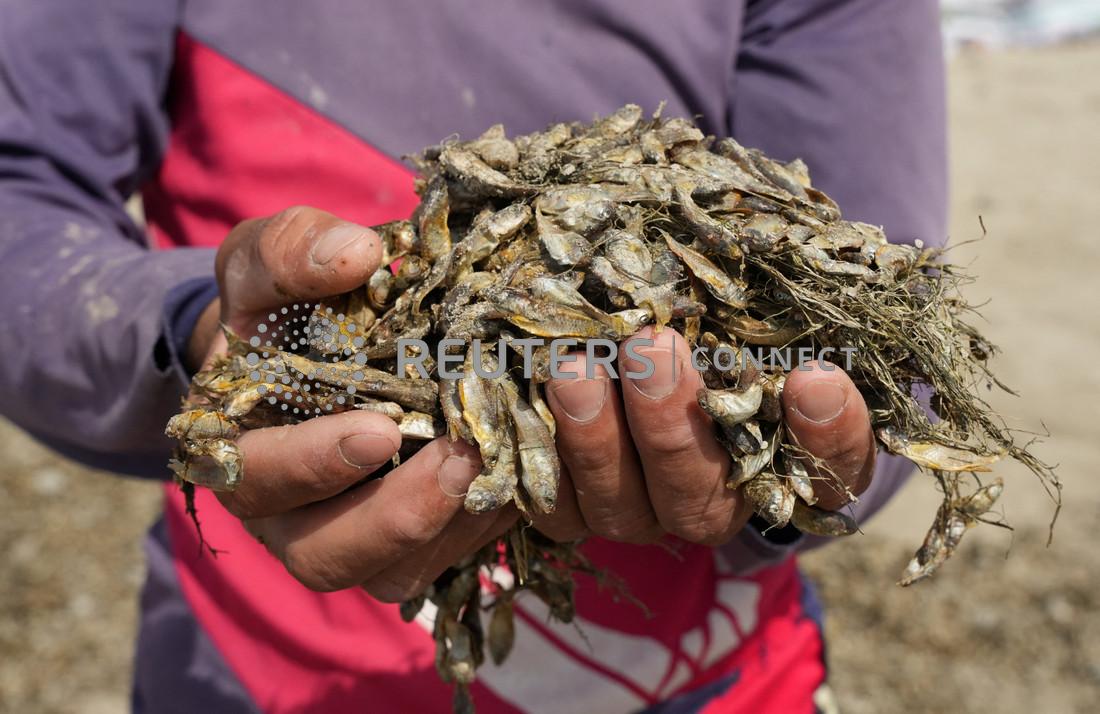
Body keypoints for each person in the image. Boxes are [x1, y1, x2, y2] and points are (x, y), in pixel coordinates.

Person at [0, 1, 945, 711]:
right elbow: (19, 187)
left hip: (699, 679)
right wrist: (206, 338)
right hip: (248, 667)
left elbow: (870, 299)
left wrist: (798, 458)